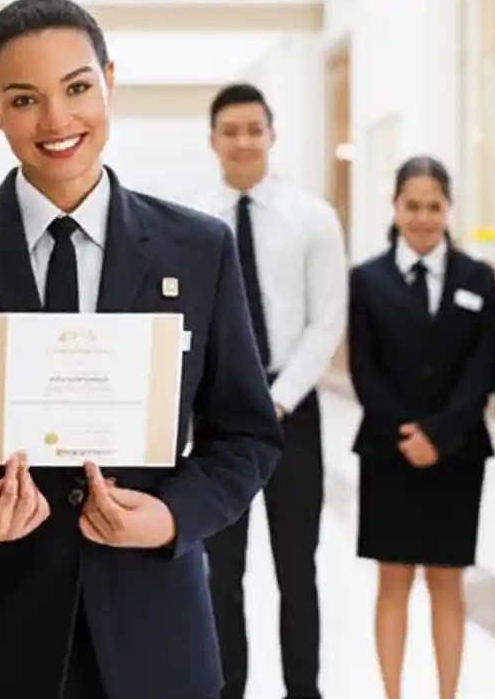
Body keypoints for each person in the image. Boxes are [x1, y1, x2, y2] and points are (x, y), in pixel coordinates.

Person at [0, 0, 283, 699]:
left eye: (78, 88)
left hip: (155, 627)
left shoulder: (199, 247)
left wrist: (174, 515)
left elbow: (245, 434)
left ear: (109, 82)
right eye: (25, 98)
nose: (58, 121)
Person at [194, 83, 347, 699]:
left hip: (291, 413)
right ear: (213, 141)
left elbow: (326, 320)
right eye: (230, 131)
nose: (243, 141)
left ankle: (302, 691)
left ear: (272, 135)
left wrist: (278, 398)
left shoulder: (313, 217)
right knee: (220, 572)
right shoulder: (194, 220)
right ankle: (227, 689)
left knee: (297, 568)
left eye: (254, 129)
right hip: (220, 420)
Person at [348, 157, 495, 699]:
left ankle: (447, 694)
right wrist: (406, 434)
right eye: (413, 206)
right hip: (390, 452)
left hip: (456, 453)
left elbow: (483, 368)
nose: (423, 217)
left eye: (434, 206)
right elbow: (364, 369)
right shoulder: (367, 279)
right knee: (393, 581)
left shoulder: (477, 278)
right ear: (395, 208)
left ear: (448, 210)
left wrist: (441, 433)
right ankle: (392, 693)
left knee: (446, 583)